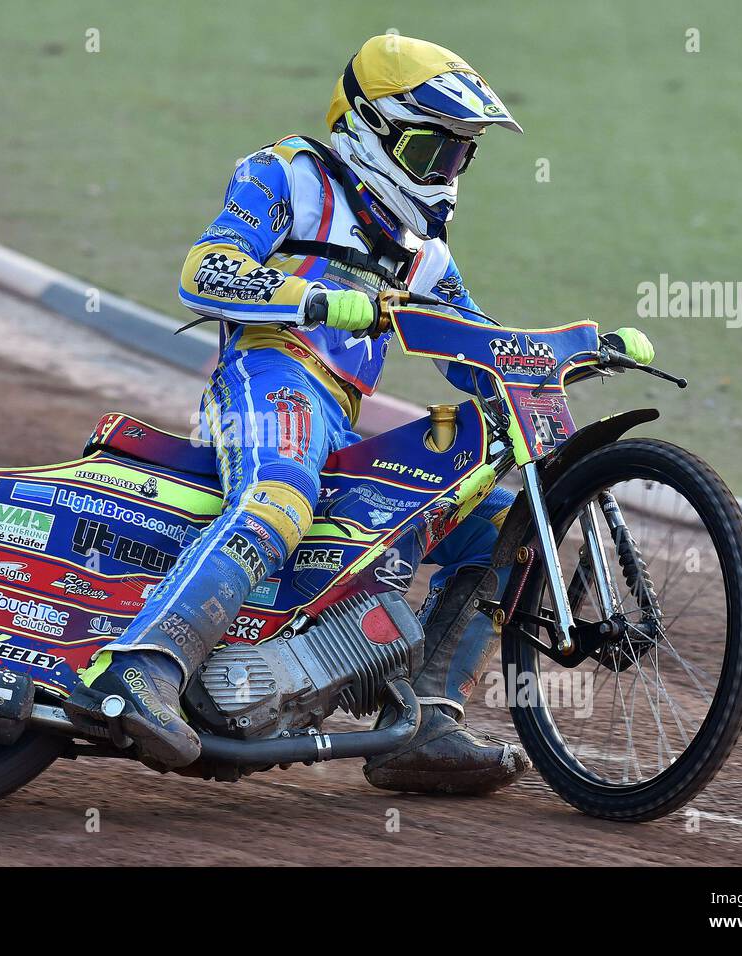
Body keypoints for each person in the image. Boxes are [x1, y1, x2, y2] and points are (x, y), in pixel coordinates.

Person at [71, 35, 654, 794]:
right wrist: (314, 298)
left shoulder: (425, 255)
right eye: (431, 150)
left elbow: (477, 351)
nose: (446, 175)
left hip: (341, 423)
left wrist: (570, 354)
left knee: (501, 533)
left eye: (459, 157)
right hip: (265, 378)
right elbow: (203, 270)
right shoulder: (287, 172)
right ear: (372, 128)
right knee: (279, 494)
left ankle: (426, 722)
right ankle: (140, 670)